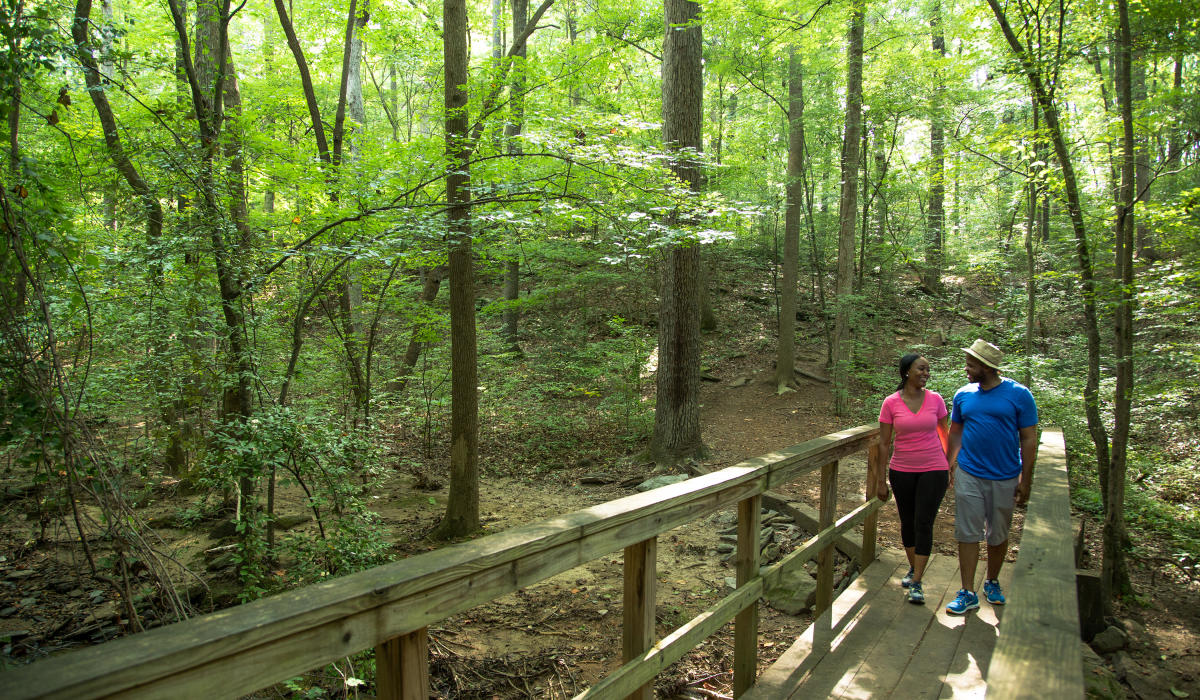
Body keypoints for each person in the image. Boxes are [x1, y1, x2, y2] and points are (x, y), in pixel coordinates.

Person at [945, 339, 1039, 615]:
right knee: (967, 532)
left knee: (997, 533)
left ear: (988, 368)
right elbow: (956, 430)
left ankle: (992, 581)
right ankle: (967, 591)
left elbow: (1029, 439)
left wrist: (1026, 478)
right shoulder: (964, 395)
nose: (967, 369)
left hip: (1005, 475)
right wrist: (950, 464)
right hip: (969, 472)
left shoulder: (1019, 395)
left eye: (972, 364)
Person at [877, 353, 950, 605]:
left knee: (923, 522)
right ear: (907, 371)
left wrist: (950, 466)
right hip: (902, 470)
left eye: (928, 370)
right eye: (921, 369)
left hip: (934, 468)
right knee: (907, 521)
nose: (925, 373)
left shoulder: (936, 400)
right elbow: (884, 443)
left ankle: (917, 581)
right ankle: (913, 567)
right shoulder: (890, 403)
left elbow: (945, 434)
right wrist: (879, 479)